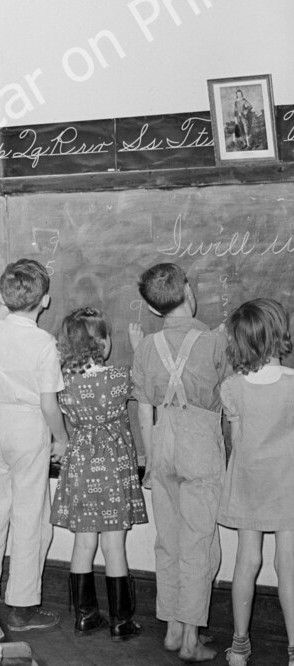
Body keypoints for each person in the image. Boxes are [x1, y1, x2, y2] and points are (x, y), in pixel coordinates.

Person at [130, 262, 229, 661]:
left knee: (168, 540)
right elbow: (230, 402)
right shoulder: (215, 342)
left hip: (162, 444)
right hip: (200, 444)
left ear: (153, 309)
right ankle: (190, 640)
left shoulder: (145, 346)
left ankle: (172, 630)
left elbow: (143, 411)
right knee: (198, 542)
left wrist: (151, 461)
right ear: (189, 290)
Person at [0, 259, 69, 632]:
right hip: (28, 426)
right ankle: (22, 606)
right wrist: (62, 438)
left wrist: (8, 294)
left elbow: (1, 312)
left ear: (2, 296)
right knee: (31, 517)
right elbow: (49, 404)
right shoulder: (44, 343)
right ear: (45, 301)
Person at [51, 307, 147, 641]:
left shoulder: (64, 383)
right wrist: (139, 348)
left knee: (83, 542)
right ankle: (122, 621)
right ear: (102, 343)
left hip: (81, 466)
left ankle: (86, 616)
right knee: (114, 544)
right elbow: (146, 386)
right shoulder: (119, 377)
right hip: (114, 469)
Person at [217, 299, 294, 666]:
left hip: (249, 482)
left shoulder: (232, 387)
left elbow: (235, 440)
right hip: (288, 484)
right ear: (280, 333)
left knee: (246, 560)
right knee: (288, 566)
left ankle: (239, 647)